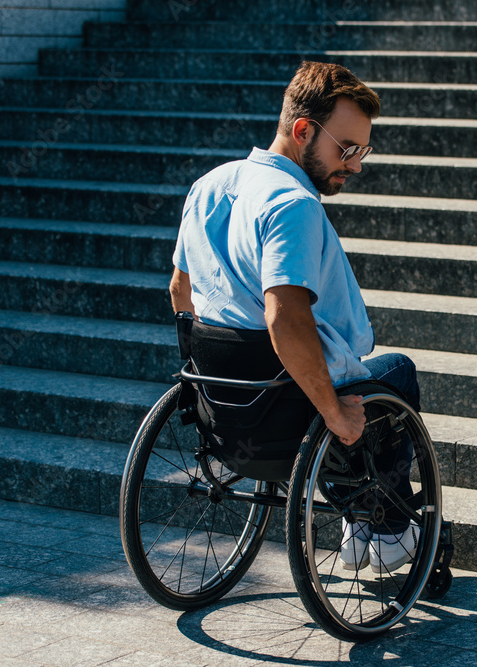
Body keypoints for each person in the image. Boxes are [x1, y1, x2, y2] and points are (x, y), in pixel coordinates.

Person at [168, 60, 420, 574]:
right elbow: (285, 320)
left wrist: (209, 374)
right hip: (282, 404)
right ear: (303, 131)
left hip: (224, 403)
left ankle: (360, 517)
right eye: (346, 149)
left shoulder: (210, 185)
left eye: (361, 151)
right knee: (396, 374)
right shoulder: (292, 204)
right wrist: (332, 411)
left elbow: (180, 290)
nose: (355, 165)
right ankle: (386, 528)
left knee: (337, 381)